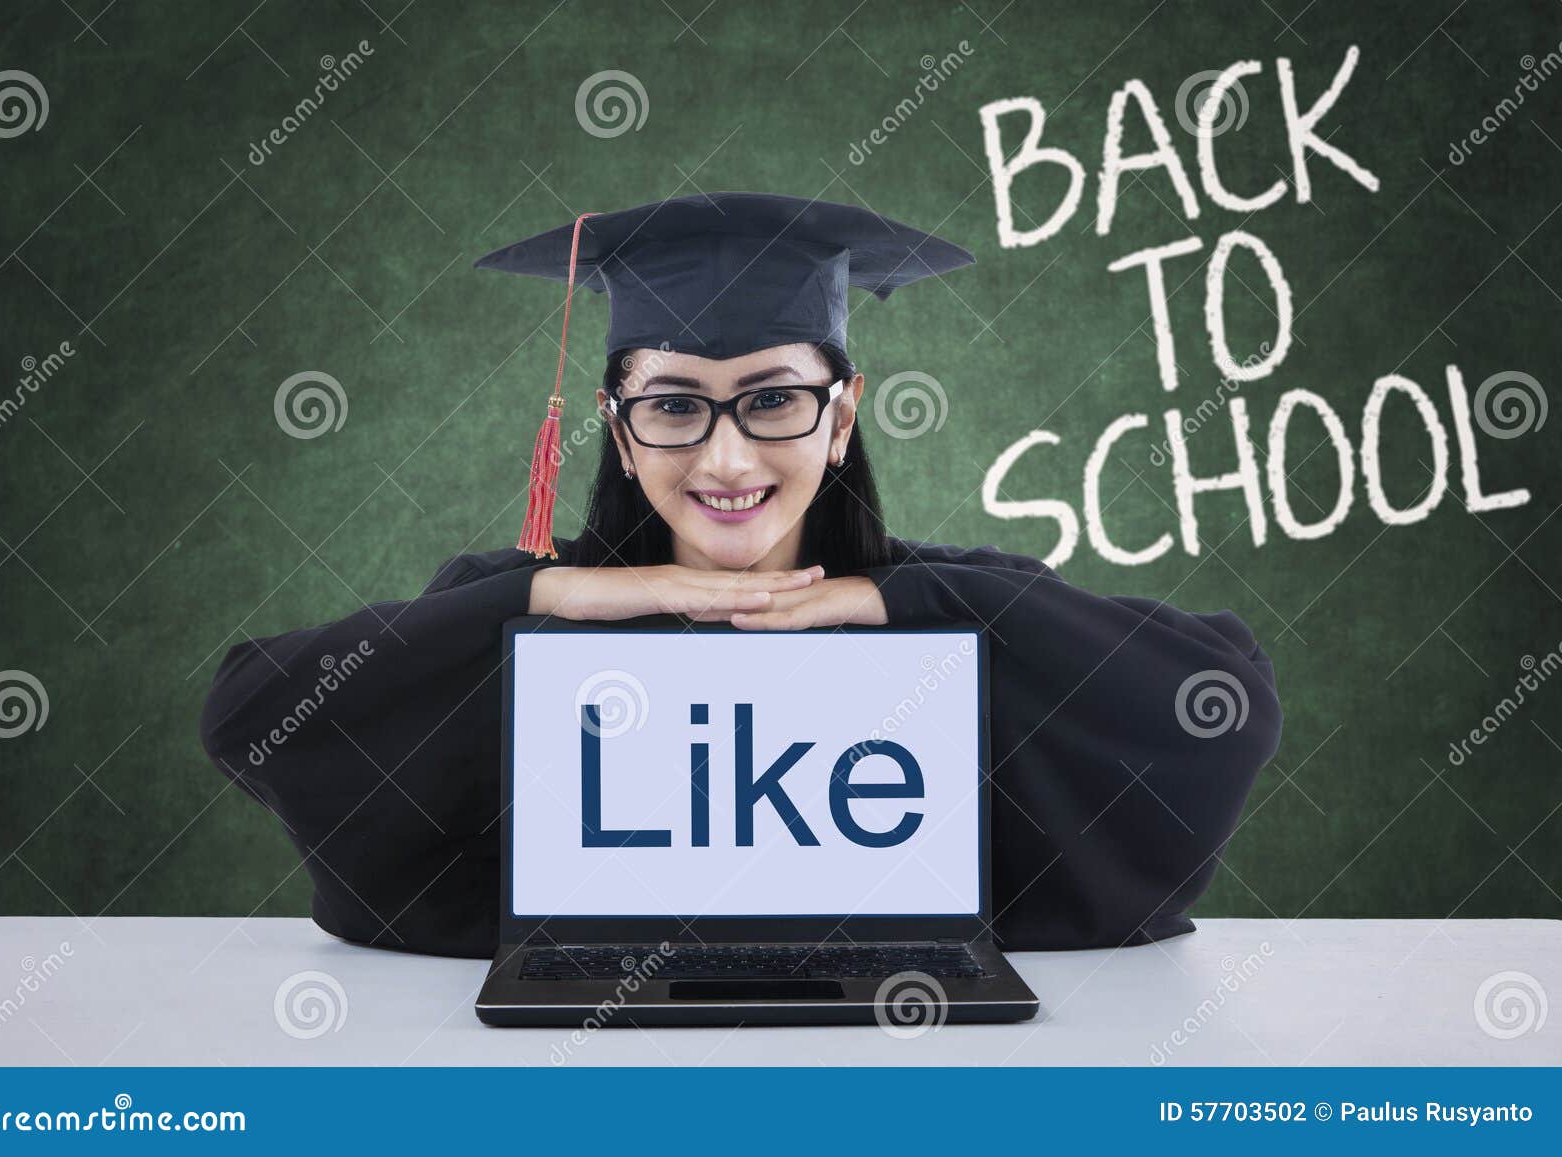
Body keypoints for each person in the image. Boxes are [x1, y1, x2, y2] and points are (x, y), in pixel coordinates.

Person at [199, 192, 1282, 958]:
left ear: (842, 415)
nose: (726, 459)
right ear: (619, 433)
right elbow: (251, 712)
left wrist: (894, 603)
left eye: (772, 399)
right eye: (674, 406)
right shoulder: (527, 606)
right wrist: (547, 596)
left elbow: (1223, 700)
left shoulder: (947, 600)